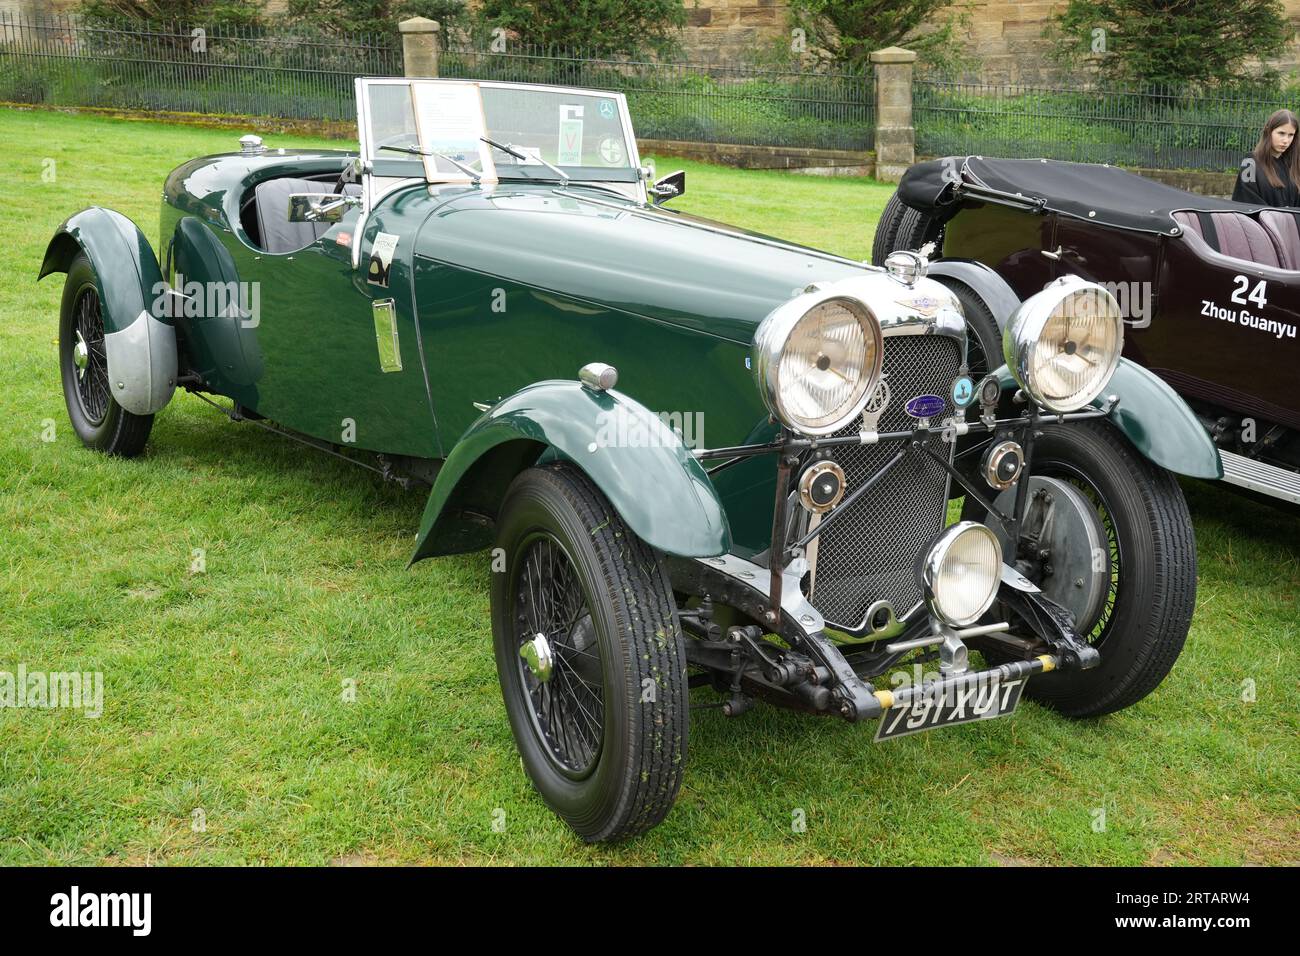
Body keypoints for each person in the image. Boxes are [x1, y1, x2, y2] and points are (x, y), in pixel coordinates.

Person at [1233, 109, 1300, 206]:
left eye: (1291, 135)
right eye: (1281, 133)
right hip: (1261, 221)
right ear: (1269, 131)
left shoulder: (1294, 164)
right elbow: (1245, 201)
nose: (1286, 140)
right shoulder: (1250, 163)